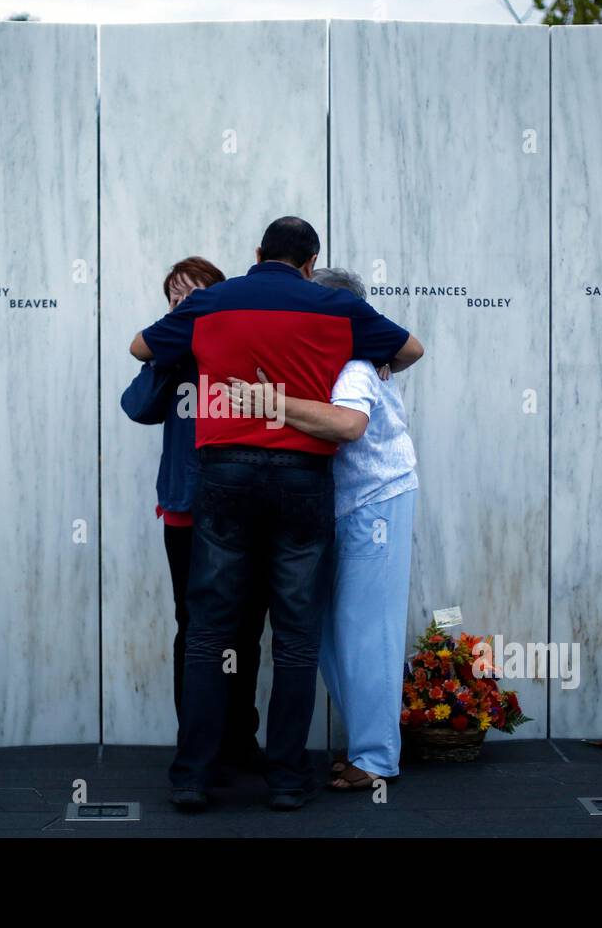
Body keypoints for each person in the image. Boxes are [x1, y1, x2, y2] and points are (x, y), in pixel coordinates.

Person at [128, 217, 424, 811]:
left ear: (258, 253)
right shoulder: (333, 308)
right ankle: (288, 780)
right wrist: (371, 355)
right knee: (295, 635)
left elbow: (141, 347)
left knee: (209, 628)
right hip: (300, 477)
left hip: (225, 476)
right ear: (311, 262)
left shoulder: (213, 302)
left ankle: (193, 775)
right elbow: (410, 349)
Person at [229, 267, 418, 792]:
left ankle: (377, 759)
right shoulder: (330, 362)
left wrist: (271, 403)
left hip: (377, 501)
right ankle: (365, 746)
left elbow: (348, 426)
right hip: (342, 507)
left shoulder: (358, 365)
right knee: (335, 637)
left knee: (365, 634)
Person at [119, 256, 267, 775]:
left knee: (246, 628)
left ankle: (240, 740)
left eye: (193, 294)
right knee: (194, 626)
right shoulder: (173, 356)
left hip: (244, 510)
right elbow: (136, 407)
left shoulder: (241, 346)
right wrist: (167, 351)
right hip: (185, 509)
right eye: (174, 299)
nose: (183, 305)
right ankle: (197, 745)